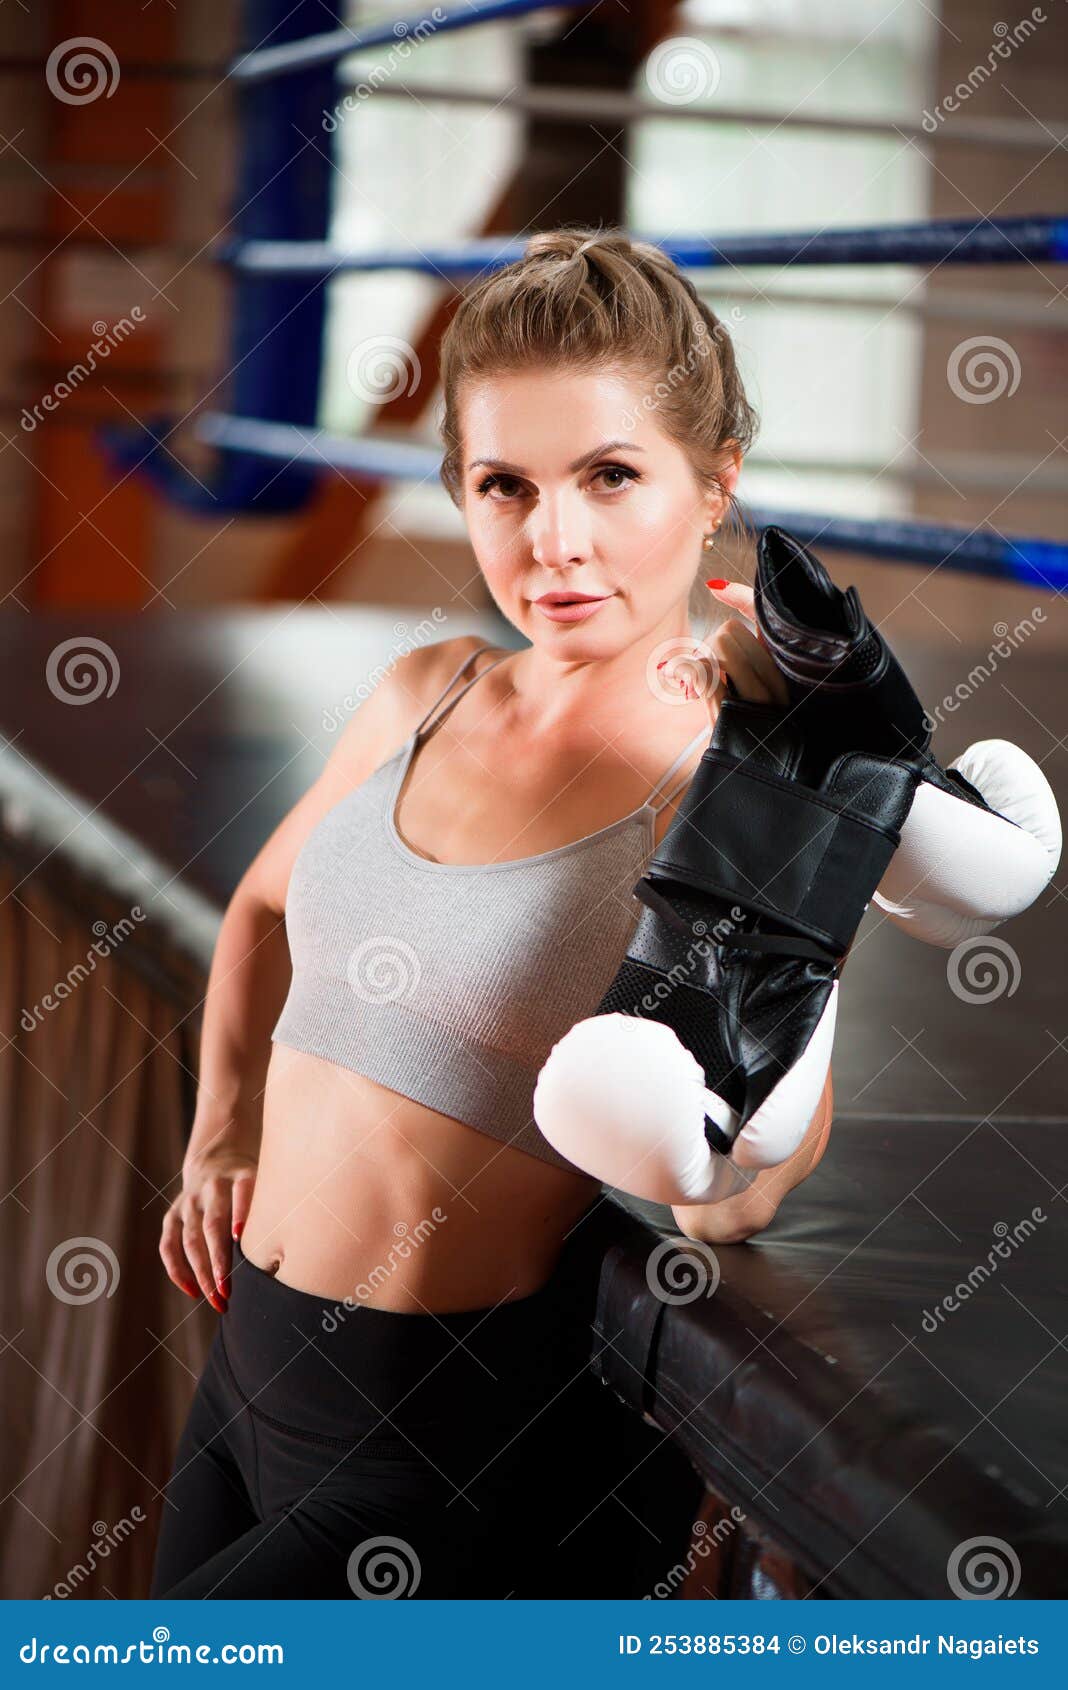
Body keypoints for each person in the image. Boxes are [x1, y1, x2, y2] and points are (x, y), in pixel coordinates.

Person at [149, 226, 834, 1600]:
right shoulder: (432, 686)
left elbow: (739, 1192)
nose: (555, 541)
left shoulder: (726, 798)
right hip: (238, 1382)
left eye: (611, 476)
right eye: (504, 484)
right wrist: (219, 1126)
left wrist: (804, 854)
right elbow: (262, 908)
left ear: (716, 487)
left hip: (416, 1449)